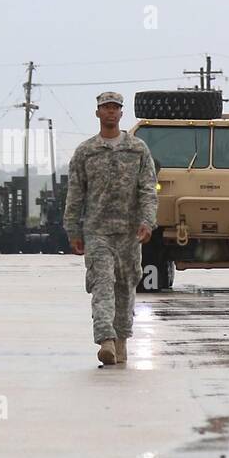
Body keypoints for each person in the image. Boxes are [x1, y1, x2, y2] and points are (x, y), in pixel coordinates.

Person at [63, 91, 158, 365]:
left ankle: (121, 340)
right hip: (98, 232)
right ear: (97, 113)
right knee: (102, 284)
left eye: (115, 107)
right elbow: (75, 193)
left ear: (121, 113)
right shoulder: (86, 151)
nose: (111, 112)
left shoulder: (137, 149)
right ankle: (105, 339)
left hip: (129, 233)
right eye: (106, 108)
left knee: (126, 286)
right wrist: (73, 230)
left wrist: (147, 221)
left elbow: (148, 189)